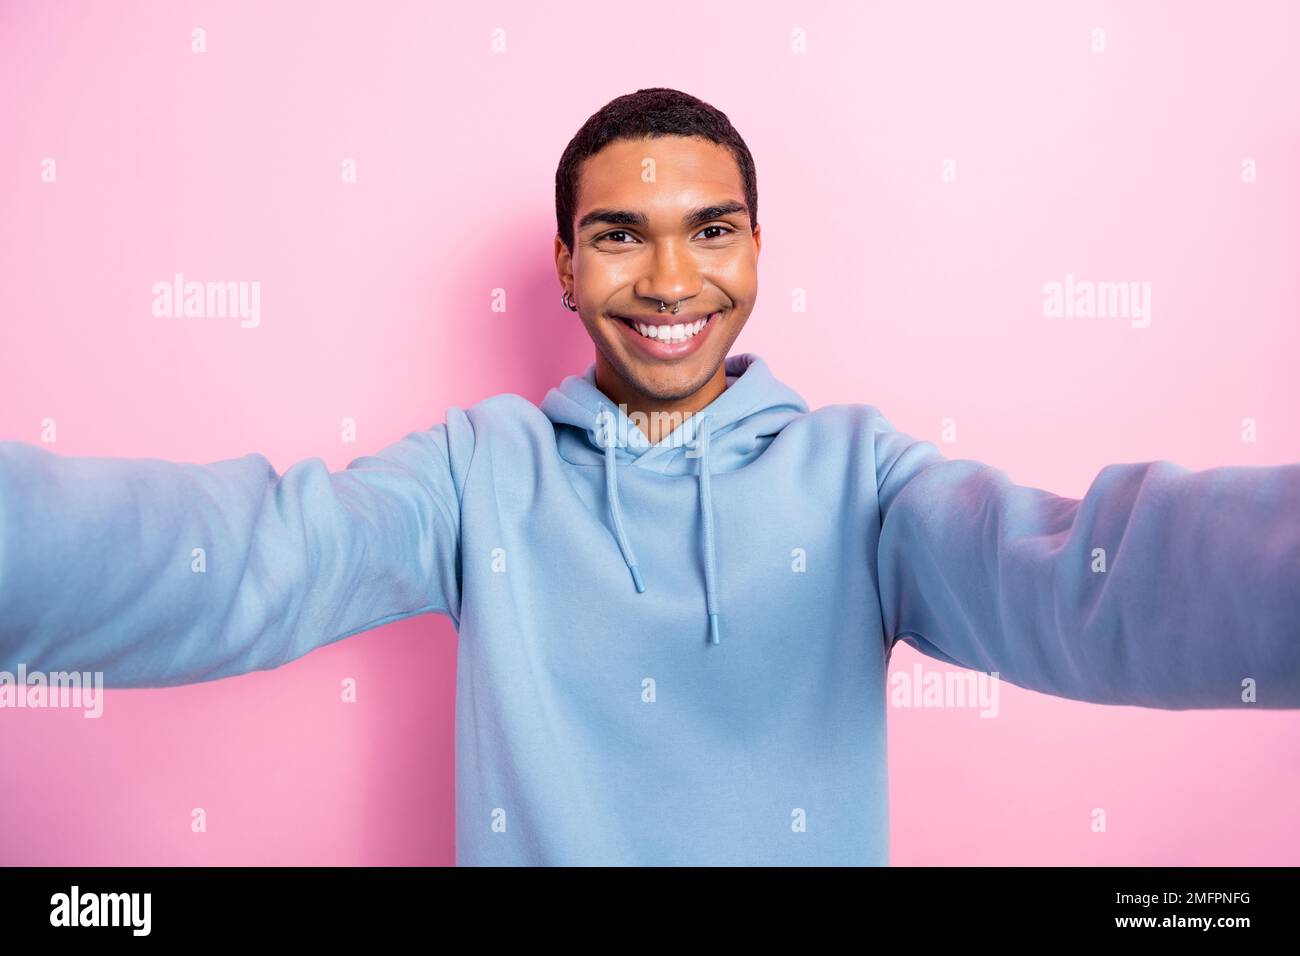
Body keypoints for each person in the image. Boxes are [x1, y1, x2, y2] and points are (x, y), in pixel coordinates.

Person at [2, 87, 1297, 866]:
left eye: (710, 232)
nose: (672, 283)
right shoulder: (475, 473)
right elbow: (247, 561)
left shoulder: (867, 479)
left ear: (756, 249)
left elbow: (1087, 581)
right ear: (565, 268)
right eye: (620, 238)